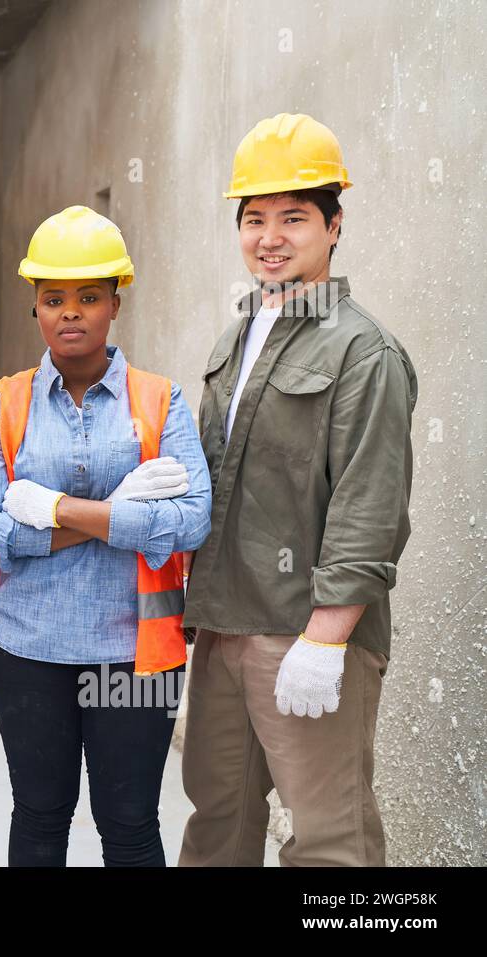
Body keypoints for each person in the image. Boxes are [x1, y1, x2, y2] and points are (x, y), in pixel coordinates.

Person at [179, 114, 417, 867]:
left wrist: (326, 639)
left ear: (334, 225)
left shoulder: (362, 349)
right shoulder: (237, 335)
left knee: (328, 841)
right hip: (223, 628)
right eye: (254, 219)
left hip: (308, 635)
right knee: (218, 826)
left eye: (293, 218)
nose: (270, 237)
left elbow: (369, 504)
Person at [0, 205, 211, 866]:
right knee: (40, 814)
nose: (71, 311)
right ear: (35, 307)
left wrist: (54, 508)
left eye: (89, 296)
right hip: (27, 646)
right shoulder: (1, 404)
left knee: (127, 822)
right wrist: (116, 517)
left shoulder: (160, 401)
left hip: (133, 647)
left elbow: (193, 518)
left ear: (114, 304)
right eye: (54, 297)